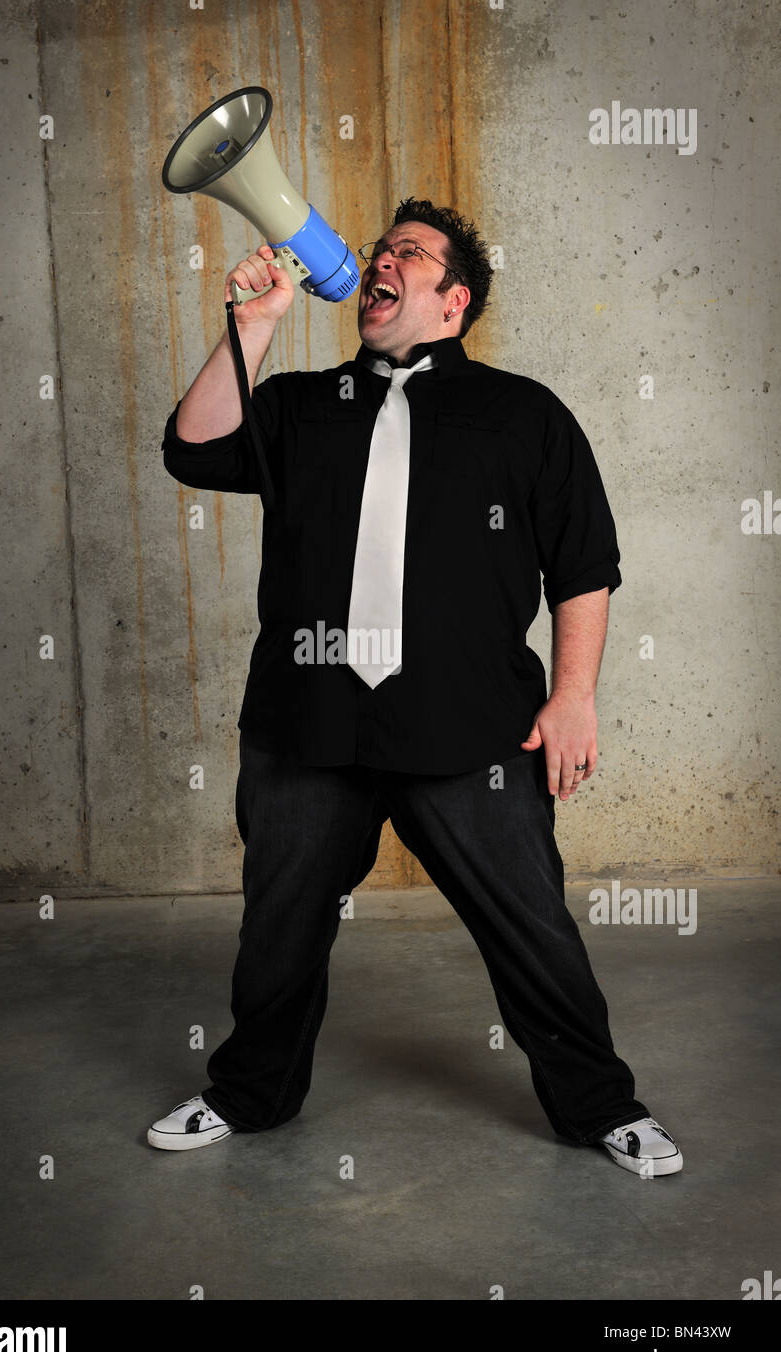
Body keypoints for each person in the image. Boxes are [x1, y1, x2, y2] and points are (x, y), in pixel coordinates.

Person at [148, 197, 682, 1178]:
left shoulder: (523, 415)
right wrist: (255, 326)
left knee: (530, 925)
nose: (381, 261)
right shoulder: (302, 405)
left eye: (409, 252)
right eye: (379, 249)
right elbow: (193, 448)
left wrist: (572, 697)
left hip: (470, 732)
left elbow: (582, 567)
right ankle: (247, 1092)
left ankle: (599, 1104)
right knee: (277, 925)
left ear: (452, 300)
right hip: (305, 725)